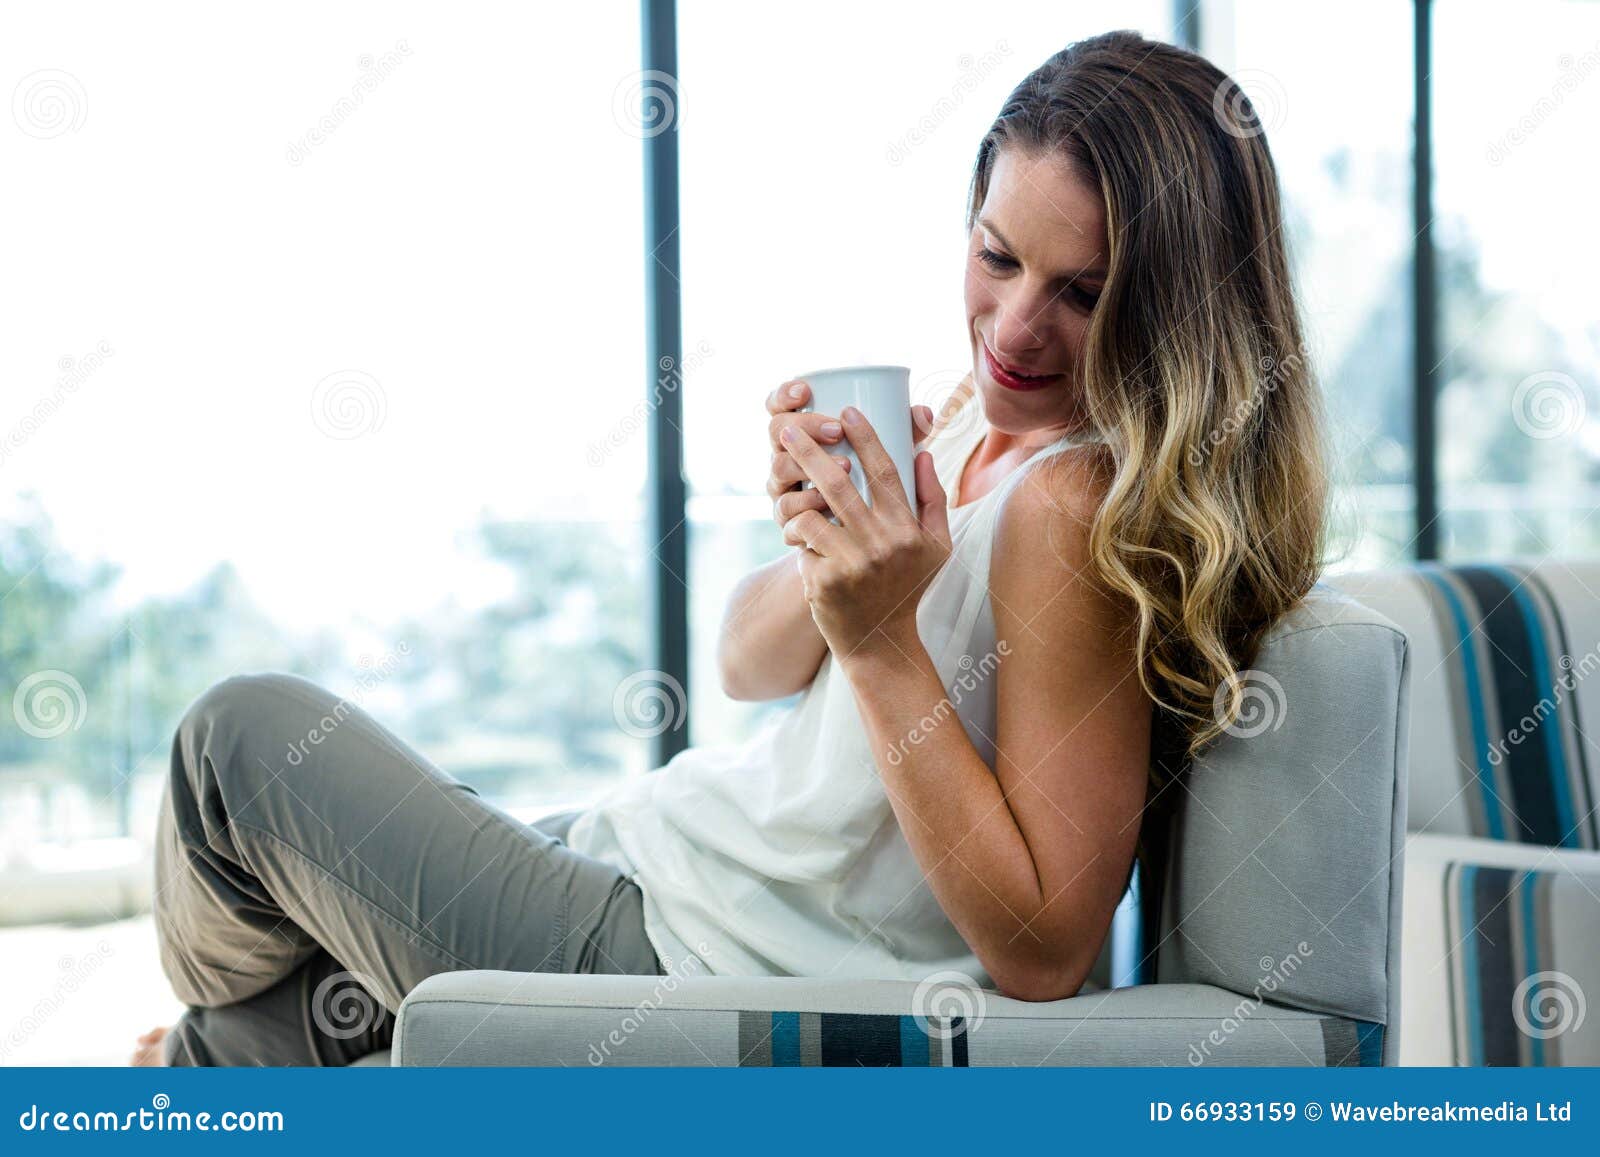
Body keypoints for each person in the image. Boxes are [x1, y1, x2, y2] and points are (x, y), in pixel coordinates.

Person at [135, 29, 1329, 1066]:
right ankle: (215, 1047)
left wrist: (876, 644)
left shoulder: (1071, 507)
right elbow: (745, 666)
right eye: (997, 254)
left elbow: (1047, 952)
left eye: (1084, 291)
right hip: (648, 858)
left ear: (1175, 304)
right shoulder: (977, 422)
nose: (1013, 327)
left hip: (672, 953)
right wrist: (821, 535)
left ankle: (219, 1022)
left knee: (237, 741)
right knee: (234, 1048)